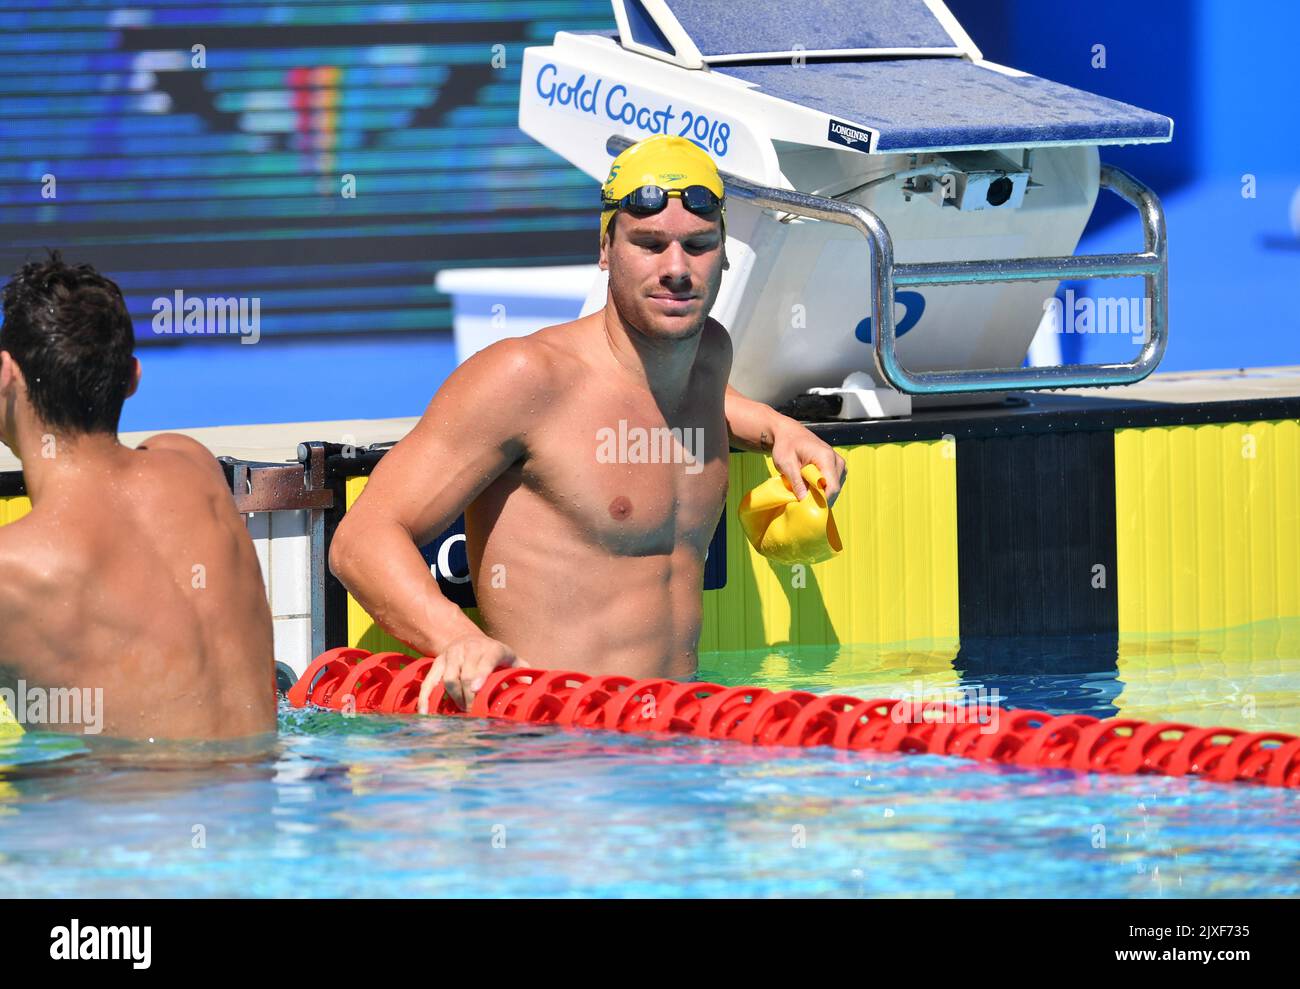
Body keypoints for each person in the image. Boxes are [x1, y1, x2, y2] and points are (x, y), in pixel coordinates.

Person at [331, 135, 846, 712]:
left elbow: (676, 397)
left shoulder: (707, 358)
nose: (676, 268)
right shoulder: (525, 378)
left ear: (724, 252)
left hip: (681, 734)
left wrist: (777, 427)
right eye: (649, 244)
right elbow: (361, 539)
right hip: (553, 747)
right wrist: (457, 639)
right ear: (605, 250)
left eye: (698, 245)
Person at [0, 253, 275, 741]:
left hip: (113, 814)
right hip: (260, 804)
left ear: (6, 374)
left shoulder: (13, 569)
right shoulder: (195, 467)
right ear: (131, 378)